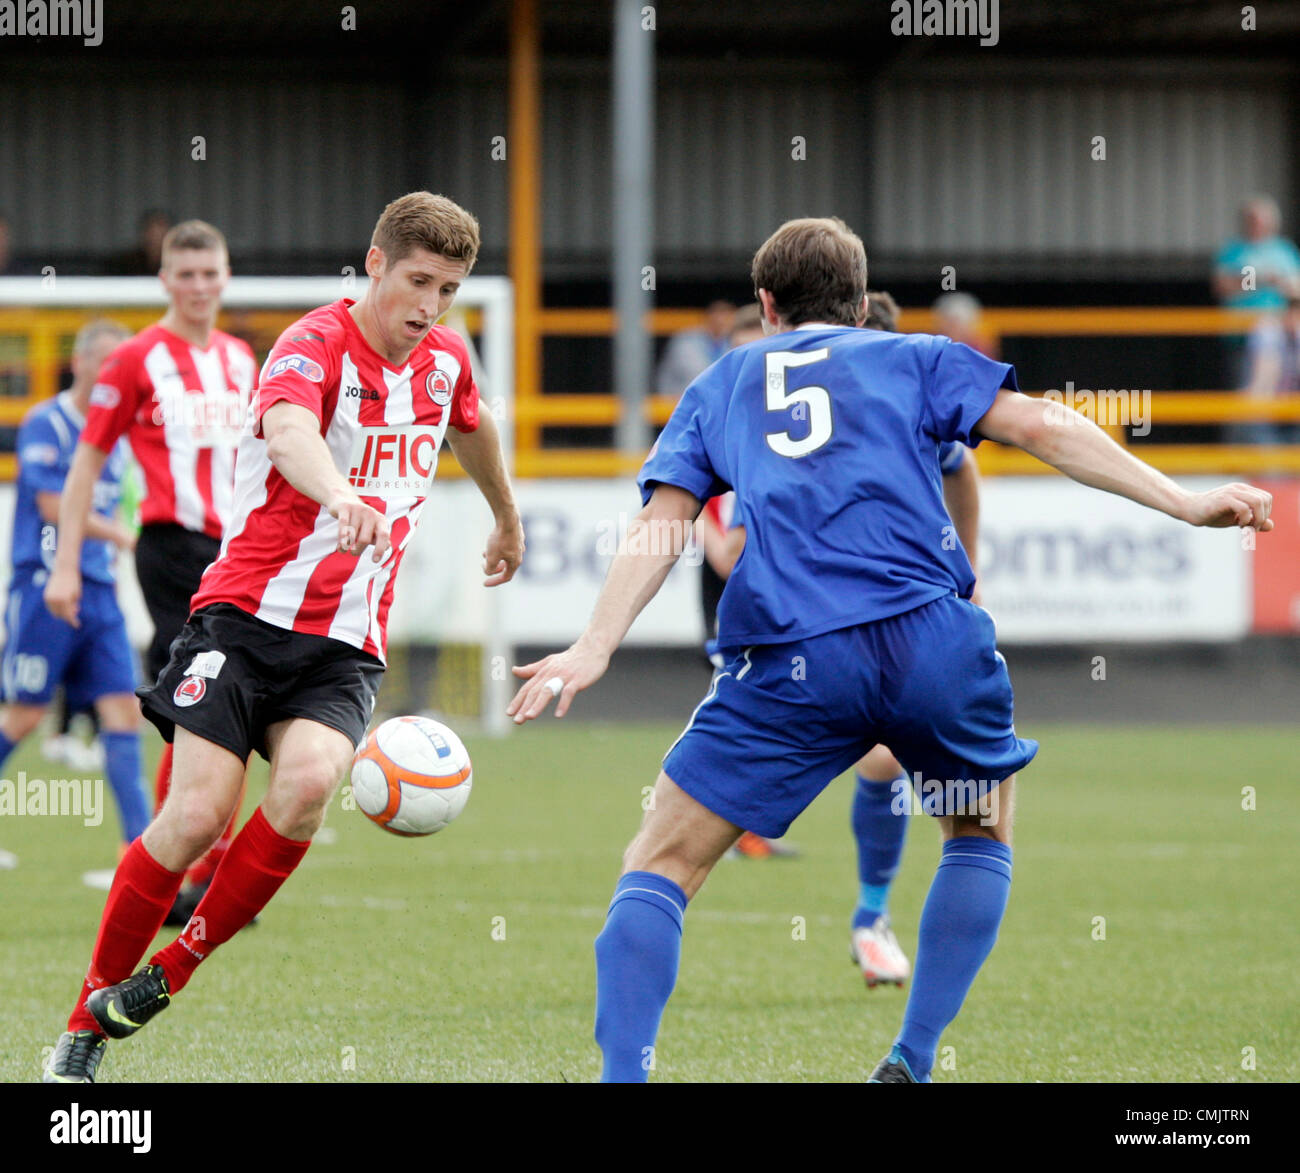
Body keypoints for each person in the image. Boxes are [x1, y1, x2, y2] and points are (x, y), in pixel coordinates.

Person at [508, 216, 1273, 1084]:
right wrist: (1184, 501)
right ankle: (911, 1053)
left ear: (766, 304)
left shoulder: (722, 383)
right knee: (978, 829)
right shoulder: (919, 357)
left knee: (661, 862)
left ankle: (624, 1080)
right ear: (858, 296)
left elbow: (663, 523)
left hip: (794, 659)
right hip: (930, 647)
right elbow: (1046, 426)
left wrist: (594, 643)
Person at [42, 190, 524, 1084]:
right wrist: (340, 493)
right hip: (243, 618)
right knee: (192, 818)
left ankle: (170, 969)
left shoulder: (445, 359)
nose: (430, 306)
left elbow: (477, 423)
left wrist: (505, 513)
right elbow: (291, 429)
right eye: (418, 281)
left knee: (306, 786)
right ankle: (84, 1017)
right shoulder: (311, 344)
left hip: (345, 642)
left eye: (449, 290)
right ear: (375, 264)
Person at [45, 220, 257, 922]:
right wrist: (67, 562)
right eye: (185, 274)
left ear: (226, 275)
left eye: (209, 273)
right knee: (202, 701)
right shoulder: (136, 359)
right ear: (164, 279)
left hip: (243, 551)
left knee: (241, 700)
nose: (199, 287)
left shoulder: (239, 359)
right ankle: (179, 867)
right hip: (171, 549)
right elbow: (87, 462)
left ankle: (204, 869)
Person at [0, 319, 149, 854]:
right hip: (45, 587)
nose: (112, 372)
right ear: (79, 363)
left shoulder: (124, 433)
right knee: (25, 715)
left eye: (121, 362)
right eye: (104, 360)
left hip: (100, 590)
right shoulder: (48, 422)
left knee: (122, 711)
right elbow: (49, 505)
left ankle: (140, 853)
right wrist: (124, 535)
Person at [1212, 196, 1300, 311]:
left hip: (1277, 318)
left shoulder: (1284, 250)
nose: (1258, 224)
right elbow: (1221, 287)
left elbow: (1296, 288)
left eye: (1262, 220)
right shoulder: (1231, 250)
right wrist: (1258, 280)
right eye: (1252, 220)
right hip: (1240, 319)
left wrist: (1282, 283)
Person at [656, 299, 736, 400]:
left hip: (724, 405)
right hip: (684, 402)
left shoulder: (738, 341)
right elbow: (666, 375)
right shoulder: (684, 340)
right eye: (718, 314)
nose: (721, 320)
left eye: (726, 316)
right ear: (708, 316)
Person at [107, 209, 173, 277]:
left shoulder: (175, 262)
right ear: (144, 234)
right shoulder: (129, 263)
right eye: (153, 234)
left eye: (160, 235)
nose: (156, 240)